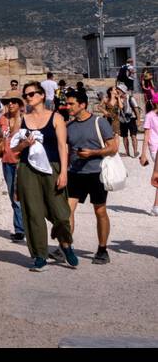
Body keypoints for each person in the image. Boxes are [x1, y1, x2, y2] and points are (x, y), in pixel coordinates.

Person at [10, 81, 78, 271]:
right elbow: (13, 149)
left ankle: (65, 244)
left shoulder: (56, 118)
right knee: (33, 213)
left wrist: (64, 172)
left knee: (61, 213)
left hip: (52, 167)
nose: (28, 98)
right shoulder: (21, 118)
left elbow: (62, 147)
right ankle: (40, 255)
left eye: (31, 94)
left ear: (42, 95)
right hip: (27, 169)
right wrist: (23, 145)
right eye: (26, 96)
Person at [63, 87, 116, 265]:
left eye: (71, 104)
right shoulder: (68, 126)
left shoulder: (99, 122)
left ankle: (102, 249)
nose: (67, 107)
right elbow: (65, 150)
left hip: (96, 173)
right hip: (75, 173)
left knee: (100, 211)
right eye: (67, 103)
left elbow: (113, 147)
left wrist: (93, 153)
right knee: (67, 211)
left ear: (82, 105)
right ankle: (66, 245)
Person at [0, 95, 24, 241]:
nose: (10, 104)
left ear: (20, 104)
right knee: (12, 195)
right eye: (7, 102)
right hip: (6, 161)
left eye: (14, 102)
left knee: (19, 195)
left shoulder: (24, 120)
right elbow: (0, 144)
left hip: (21, 162)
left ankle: (22, 228)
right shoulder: (2, 119)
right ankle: (20, 228)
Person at [141, 103, 158, 215]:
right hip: (155, 148)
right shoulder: (150, 116)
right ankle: (156, 207)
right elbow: (146, 135)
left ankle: (156, 207)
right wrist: (143, 154)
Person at [115, 83, 140, 158]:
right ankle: (127, 152)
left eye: (118, 90)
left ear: (122, 90)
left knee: (133, 135)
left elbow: (136, 109)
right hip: (122, 119)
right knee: (124, 136)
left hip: (131, 118)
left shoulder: (130, 98)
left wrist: (138, 119)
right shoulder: (118, 99)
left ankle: (135, 151)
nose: (117, 91)